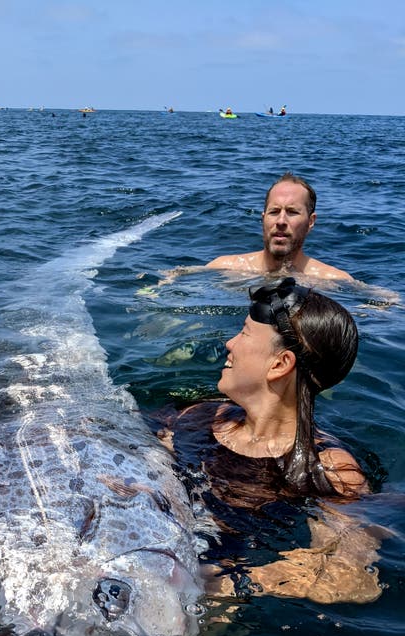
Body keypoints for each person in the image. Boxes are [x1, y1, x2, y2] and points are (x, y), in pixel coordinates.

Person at [153, 277, 384, 605]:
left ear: (279, 364)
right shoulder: (198, 416)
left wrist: (231, 581)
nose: (230, 344)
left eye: (244, 333)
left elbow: (350, 578)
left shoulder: (329, 469)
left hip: (208, 593)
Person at [206, 172, 352, 280]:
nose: (281, 221)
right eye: (274, 212)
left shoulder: (331, 280)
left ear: (310, 222)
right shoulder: (224, 268)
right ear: (263, 219)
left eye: (292, 212)